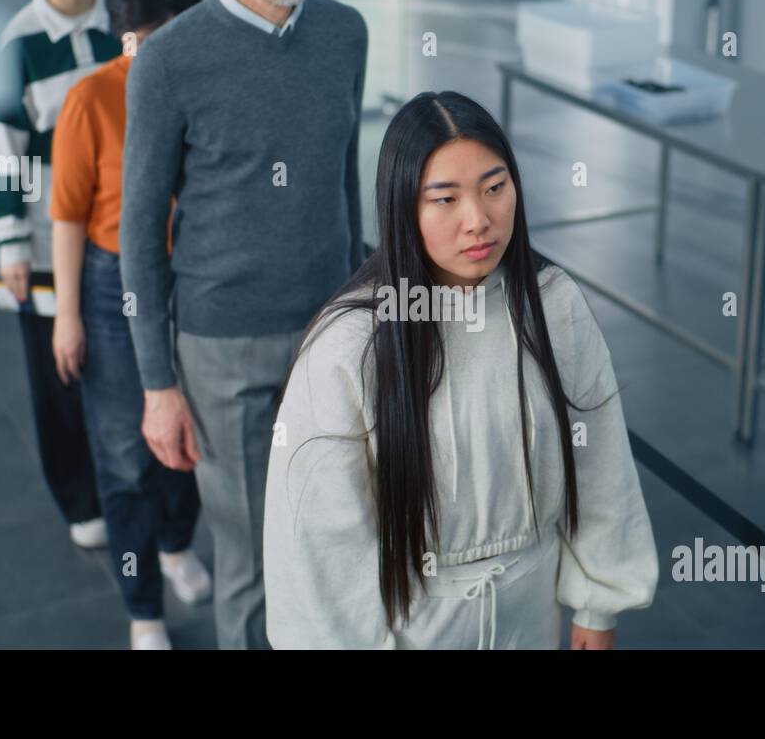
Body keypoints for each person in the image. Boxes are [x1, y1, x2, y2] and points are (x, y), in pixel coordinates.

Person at [263, 92, 659, 649]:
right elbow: (322, 538)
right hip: (413, 627)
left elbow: (599, 462)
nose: (479, 220)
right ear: (403, 207)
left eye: (495, 188)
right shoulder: (350, 343)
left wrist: (599, 601)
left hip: (532, 611)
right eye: (445, 199)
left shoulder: (552, 305)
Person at [119, 0, 367, 649]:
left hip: (334, 334)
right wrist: (156, 383)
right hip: (222, 347)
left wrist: (363, 314)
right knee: (254, 556)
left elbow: (345, 186)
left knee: (338, 532)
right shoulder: (169, 60)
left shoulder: (346, 33)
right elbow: (138, 231)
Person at [49, 0, 210, 651]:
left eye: (163, 32)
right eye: (137, 36)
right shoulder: (90, 98)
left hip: (199, 276)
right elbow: (66, 214)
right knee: (124, 455)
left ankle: (177, 545)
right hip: (116, 287)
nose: (147, 48)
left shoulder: (210, 87)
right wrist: (68, 313)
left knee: (194, 438)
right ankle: (143, 609)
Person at [0, 0, 121, 549]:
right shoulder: (18, 42)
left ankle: (129, 488)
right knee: (56, 374)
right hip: (44, 238)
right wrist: (9, 240)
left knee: (118, 365)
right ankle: (79, 499)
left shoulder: (121, 22)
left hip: (113, 229)